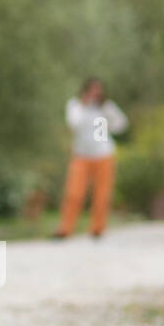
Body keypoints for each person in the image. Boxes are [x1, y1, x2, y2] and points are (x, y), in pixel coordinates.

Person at [56, 77, 128, 239]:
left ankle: (98, 228)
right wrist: (85, 106)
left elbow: (122, 124)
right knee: (74, 193)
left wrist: (108, 122)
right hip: (81, 155)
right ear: (86, 90)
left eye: (99, 89)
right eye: (93, 89)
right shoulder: (75, 106)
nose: (96, 93)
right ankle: (65, 228)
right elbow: (74, 124)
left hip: (103, 154)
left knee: (102, 194)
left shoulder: (106, 107)